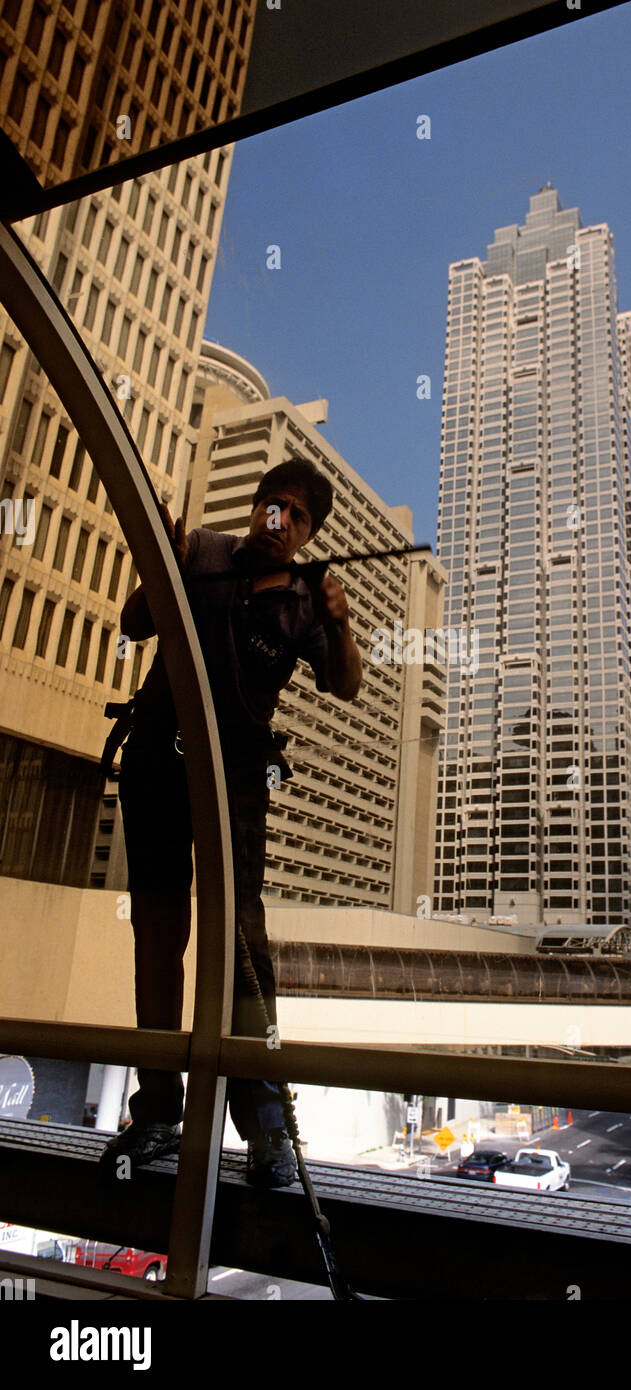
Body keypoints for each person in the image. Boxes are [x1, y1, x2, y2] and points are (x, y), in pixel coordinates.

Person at [100, 457, 362, 1186]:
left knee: (244, 945)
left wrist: (340, 626)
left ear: (309, 532)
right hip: (156, 756)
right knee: (157, 931)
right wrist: (165, 560)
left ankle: (266, 1127)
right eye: (272, 504)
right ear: (256, 508)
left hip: (237, 780)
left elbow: (344, 685)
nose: (279, 521)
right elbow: (132, 621)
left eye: (297, 516)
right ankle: (156, 1110)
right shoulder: (203, 551)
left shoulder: (309, 600)